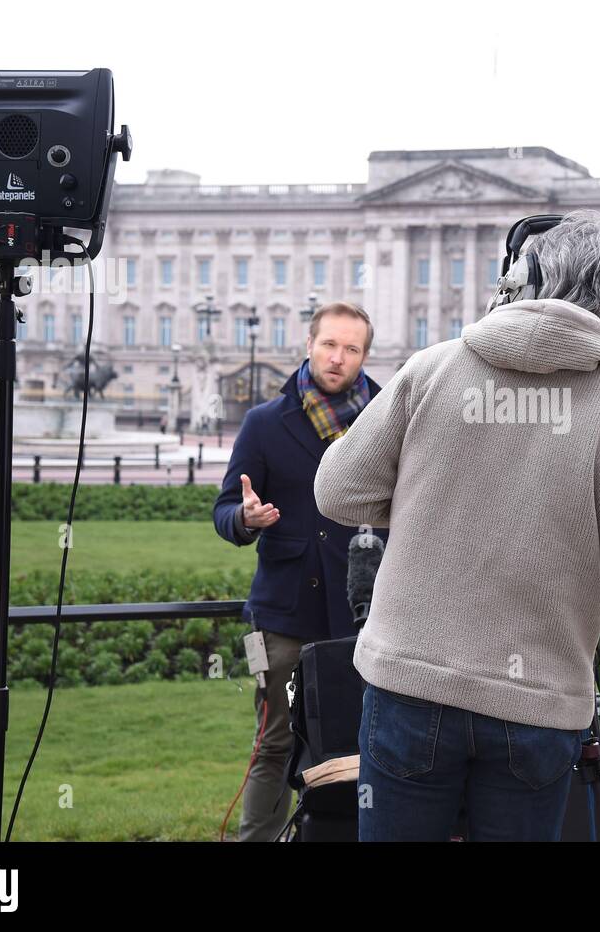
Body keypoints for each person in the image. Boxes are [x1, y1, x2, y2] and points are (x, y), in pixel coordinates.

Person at [314, 210, 600, 841]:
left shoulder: (432, 370)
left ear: (517, 281)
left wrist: (429, 503)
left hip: (411, 684)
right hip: (539, 705)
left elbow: (338, 490)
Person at [212, 301, 385, 842]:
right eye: (329, 344)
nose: (338, 358)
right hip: (282, 615)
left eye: (351, 349)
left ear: (364, 356)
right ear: (309, 345)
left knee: (369, 744)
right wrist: (244, 517)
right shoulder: (264, 423)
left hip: (365, 615)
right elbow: (223, 512)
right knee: (274, 744)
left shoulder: (387, 421)